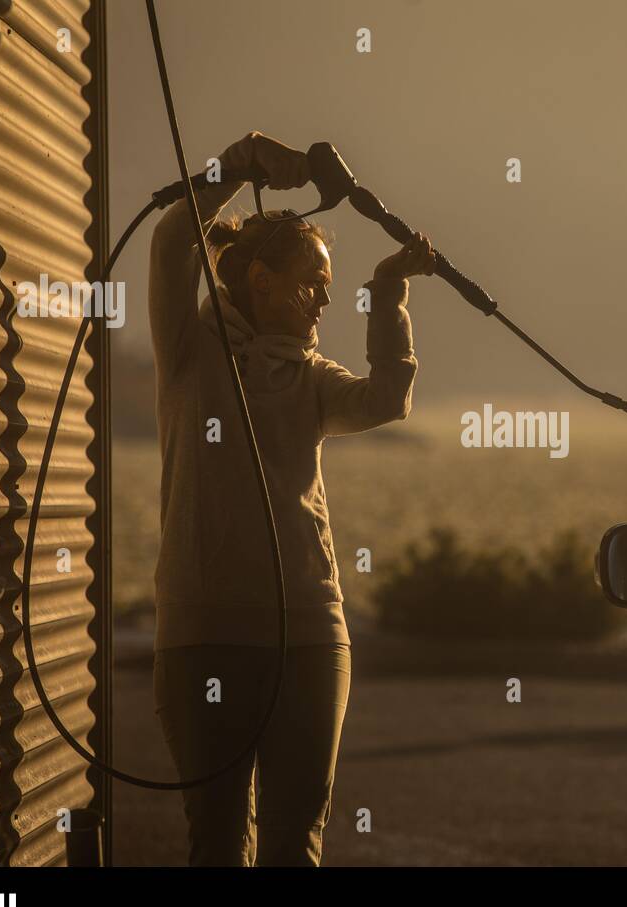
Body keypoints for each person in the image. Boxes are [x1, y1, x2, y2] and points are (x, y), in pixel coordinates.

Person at [147, 131, 436, 865]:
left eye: (332, 290)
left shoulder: (309, 377)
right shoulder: (188, 349)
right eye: (311, 283)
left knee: (293, 846)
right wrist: (245, 159)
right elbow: (173, 235)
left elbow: (384, 400)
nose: (321, 301)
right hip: (202, 637)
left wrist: (387, 297)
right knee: (216, 844)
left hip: (311, 638)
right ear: (260, 282)